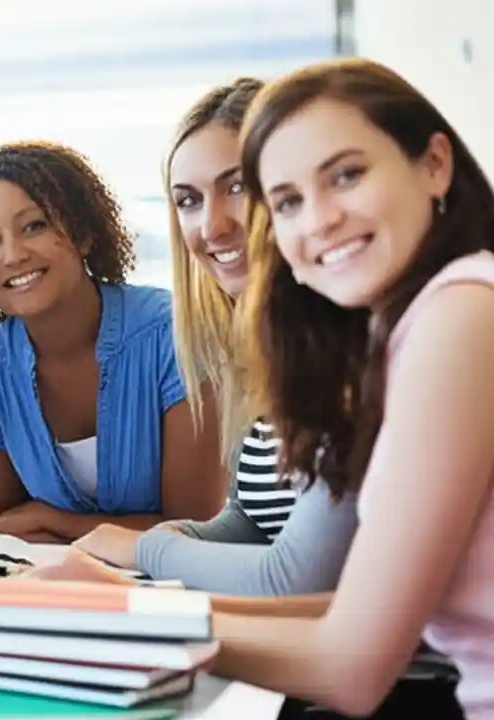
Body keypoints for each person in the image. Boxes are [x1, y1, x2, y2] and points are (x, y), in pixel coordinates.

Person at [207, 58, 494, 719]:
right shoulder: (414, 328)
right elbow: (366, 607)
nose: (320, 219)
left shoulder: (459, 316)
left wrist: (115, 623)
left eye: (346, 176)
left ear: (434, 165)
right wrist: (133, 601)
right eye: (287, 202)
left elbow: (353, 666)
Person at [58, 79, 358, 595]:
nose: (211, 225)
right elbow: (252, 523)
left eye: (236, 186)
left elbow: (295, 576)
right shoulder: (255, 350)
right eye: (188, 200)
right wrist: (177, 537)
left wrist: (145, 549)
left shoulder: (354, 351)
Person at [0, 141, 223, 543]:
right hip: (59, 588)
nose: (13, 255)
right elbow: (12, 534)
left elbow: (196, 532)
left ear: (83, 233)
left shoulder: (170, 335)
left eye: (34, 225)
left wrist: (58, 521)